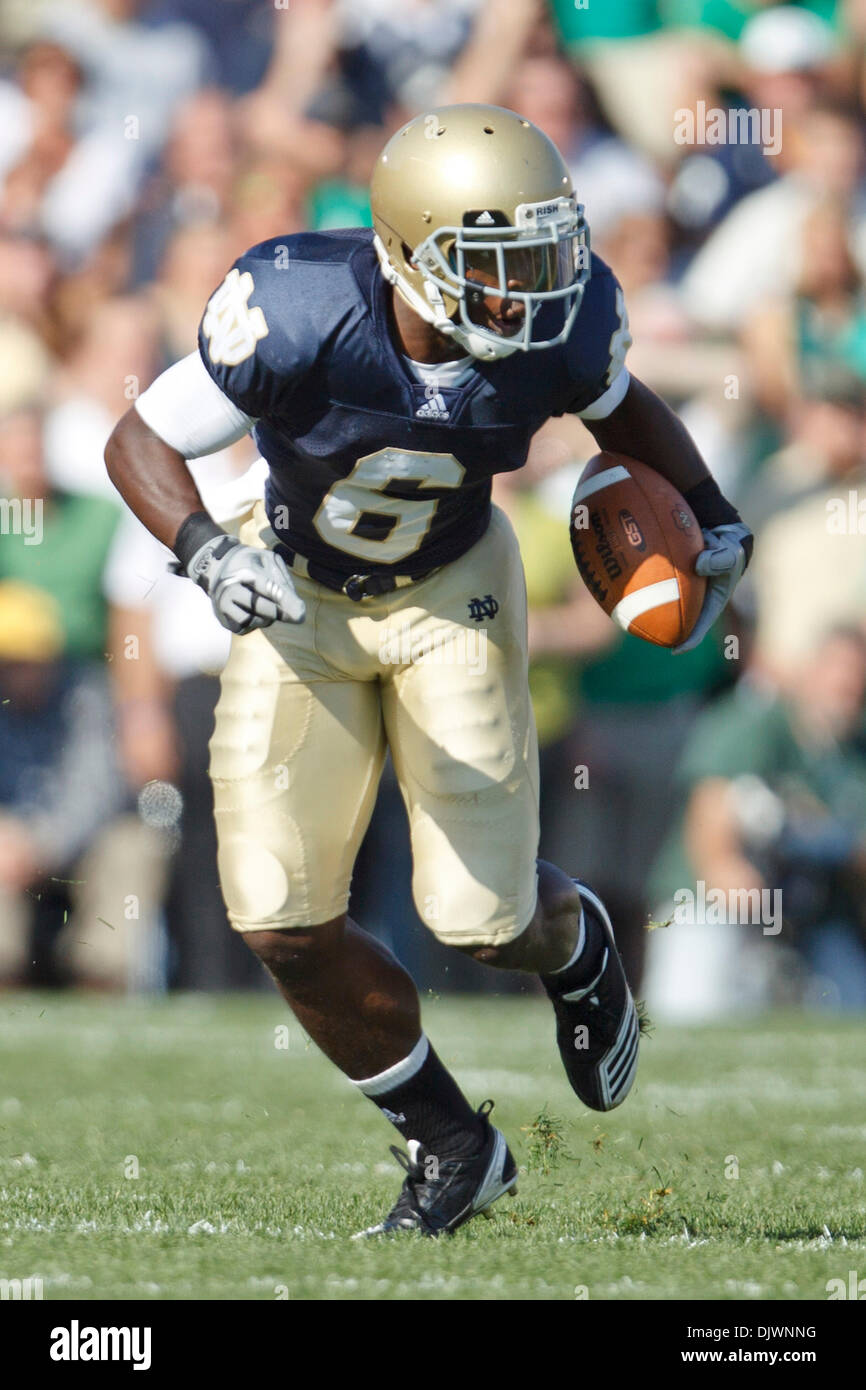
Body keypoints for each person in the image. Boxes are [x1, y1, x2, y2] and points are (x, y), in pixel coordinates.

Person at [104, 103, 751, 1237]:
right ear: (407, 253)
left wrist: (704, 510)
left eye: (550, 249)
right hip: (296, 594)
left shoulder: (557, 324)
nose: (538, 284)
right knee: (278, 917)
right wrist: (203, 552)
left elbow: (617, 407)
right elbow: (139, 441)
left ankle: (573, 939)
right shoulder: (299, 307)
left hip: (454, 593)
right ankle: (453, 1145)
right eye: (500, 261)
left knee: (478, 916)